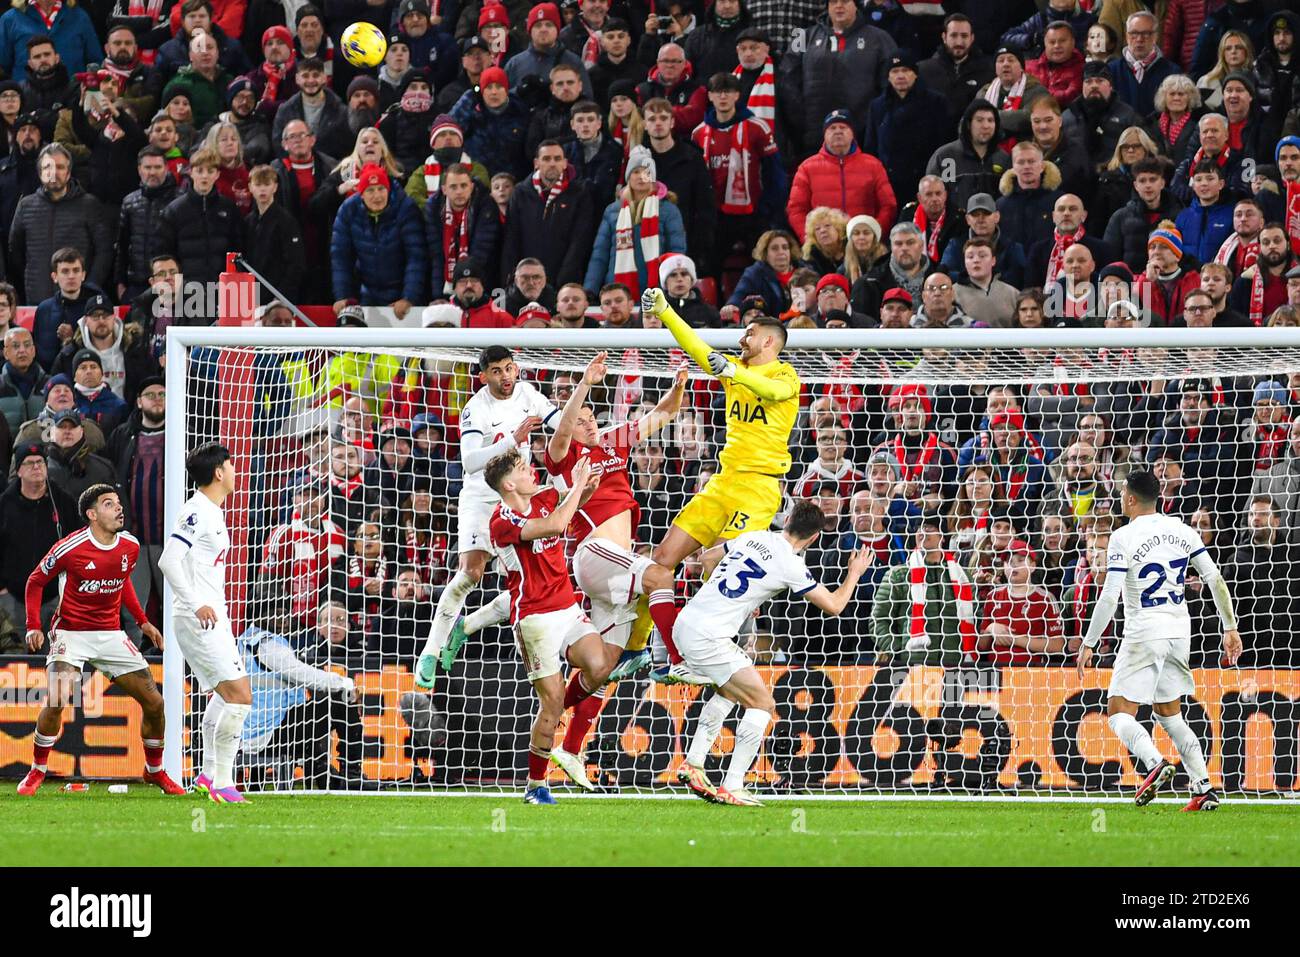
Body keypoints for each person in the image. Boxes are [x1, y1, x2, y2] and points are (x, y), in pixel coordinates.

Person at [539, 351, 690, 782]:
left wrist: (678, 384)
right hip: (594, 554)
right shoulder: (563, 460)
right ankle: (673, 658)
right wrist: (584, 384)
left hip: (615, 568)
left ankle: (566, 746)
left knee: (602, 668)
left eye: (591, 417)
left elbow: (666, 412)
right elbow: (563, 432)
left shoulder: (612, 442)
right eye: (581, 418)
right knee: (661, 575)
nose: (589, 423)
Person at [641, 287, 801, 681]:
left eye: (747, 333)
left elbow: (773, 392)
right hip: (721, 483)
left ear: (767, 340)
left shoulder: (784, 374)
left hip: (760, 489)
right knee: (661, 561)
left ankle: (729, 655)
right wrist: (664, 312)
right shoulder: (734, 369)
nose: (740, 339)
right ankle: (665, 653)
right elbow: (694, 345)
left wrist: (734, 371)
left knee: (719, 567)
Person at [674, 500, 871, 805]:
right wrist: (854, 572)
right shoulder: (791, 565)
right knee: (763, 704)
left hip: (686, 622)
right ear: (815, 537)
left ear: (788, 519)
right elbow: (834, 605)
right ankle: (734, 785)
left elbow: (708, 557)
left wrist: (724, 600)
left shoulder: (756, 536)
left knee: (728, 693)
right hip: (709, 637)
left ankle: (695, 763)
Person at [1076, 469, 1241, 812]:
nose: (1122, 500)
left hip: (1143, 631)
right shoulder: (1184, 530)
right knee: (1170, 714)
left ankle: (1154, 764)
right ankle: (1204, 788)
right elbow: (1214, 577)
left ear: (1131, 499)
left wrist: (1090, 642)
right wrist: (1230, 627)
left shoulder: (1123, 535)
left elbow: (1110, 595)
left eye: (1122, 494)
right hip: (1180, 631)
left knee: (1118, 712)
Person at [16, 484, 182, 796]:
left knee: (154, 702)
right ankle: (37, 771)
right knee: (57, 698)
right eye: (109, 504)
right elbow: (35, 581)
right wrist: (32, 625)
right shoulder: (70, 548)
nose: (119, 508)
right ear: (92, 514)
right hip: (71, 633)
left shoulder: (129, 546)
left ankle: (155, 771)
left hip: (110, 634)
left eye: (118, 503)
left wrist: (143, 621)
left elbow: (123, 584)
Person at [414, 345, 559, 687]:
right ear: (483, 376)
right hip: (482, 498)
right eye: (497, 371)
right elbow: (470, 461)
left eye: (509, 368)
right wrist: (514, 439)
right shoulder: (475, 408)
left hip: (516, 496)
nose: (506, 376)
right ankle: (431, 651)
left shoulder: (529, 394)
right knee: (470, 573)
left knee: (532, 584)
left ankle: (466, 627)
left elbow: (558, 421)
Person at [479, 446, 608, 805]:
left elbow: (574, 503)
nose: (531, 470)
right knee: (549, 704)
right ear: (508, 484)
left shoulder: (546, 497)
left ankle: (555, 721)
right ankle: (536, 785)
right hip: (534, 619)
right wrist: (578, 486)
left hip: (566, 607)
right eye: (523, 468)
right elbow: (555, 524)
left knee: (599, 666)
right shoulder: (501, 521)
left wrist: (588, 485)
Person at [159, 442, 252, 804]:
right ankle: (224, 784)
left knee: (224, 694)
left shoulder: (212, 511)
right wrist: (196, 603)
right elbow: (169, 560)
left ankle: (209, 774)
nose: (234, 471)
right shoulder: (196, 511)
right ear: (218, 472)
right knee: (240, 697)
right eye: (230, 465)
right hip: (199, 617)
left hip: (211, 615)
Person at [776, 0, 897, 157]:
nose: (839, 6)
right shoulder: (803, 37)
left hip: (862, 136)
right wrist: (800, 118)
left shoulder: (879, 38)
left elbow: (890, 85)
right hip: (812, 136)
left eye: (845, 1)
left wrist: (872, 122)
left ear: (856, 5)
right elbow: (787, 80)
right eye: (833, 2)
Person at [8, 144, 113, 307]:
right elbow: (15, 250)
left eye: (60, 167)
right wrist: (32, 278)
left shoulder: (89, 204)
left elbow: (104, 252)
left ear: (69, 172)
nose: (54, 173)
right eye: (47, 167)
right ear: (40, 173)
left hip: (80, 298)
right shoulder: (25, 205)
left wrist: (89, 286)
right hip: (37, 296)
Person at [583, 145, 686, 295]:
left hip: (656, 288)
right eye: (636, 172)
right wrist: (590, 289)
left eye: (646, 172)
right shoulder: (613, 211)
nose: (641, 176)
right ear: (628, 177)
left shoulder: (668, 210)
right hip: (618, 289)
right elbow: (600, 254)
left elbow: (676, 251)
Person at [329, 164, 427, 318]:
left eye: (381, 189)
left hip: (402, 291)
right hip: (367, 292)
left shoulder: (406, 208)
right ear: (361, 194)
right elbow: (340, 256)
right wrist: (343, 295)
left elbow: (416, 256)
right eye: (370, 190)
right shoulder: (348, 210)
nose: (377, 196)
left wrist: (409, 297)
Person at [788, 109, 896, 243]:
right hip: (824, 246)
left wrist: (873, 233)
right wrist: (810, 239)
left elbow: (888, 206)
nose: (838, 131)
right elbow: (796, 210)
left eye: (843, 127)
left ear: (852, 134)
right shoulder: (806, 168)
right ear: (824, 135)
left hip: (863, 244)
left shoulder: (873, 165)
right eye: (832, 128)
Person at [500, 138, 597, 287]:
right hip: (527, 280)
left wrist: (566, 277)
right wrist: (511, 277)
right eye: (546, 159)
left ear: (564, 163)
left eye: (557, 158)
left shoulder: (579, 193)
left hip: (565, 281)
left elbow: (580, 240)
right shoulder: (520, 192)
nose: (552, 163)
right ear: (536, 163)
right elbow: (512, 239)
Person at [864, 52, 953, 209]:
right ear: (888, 76)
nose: (900, 76)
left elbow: (944, 143)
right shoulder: (877, 106)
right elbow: (871, 146)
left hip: (923, 180)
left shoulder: (936, 102)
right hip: (889, 182)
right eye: (895, 71)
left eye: (905, 70)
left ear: (915, 74)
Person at [925, 98, 1010, 213]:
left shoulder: (1004, 159)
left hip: (992, 227)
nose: (986, 126)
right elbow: (930, 195)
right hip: (954, 227)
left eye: (990, 120)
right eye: (979, 120)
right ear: (969, 124)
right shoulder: (945, 156)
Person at [1026, 20, 1085, 107]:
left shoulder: (1082, 68)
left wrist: (1035, 96)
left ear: (1073, 42)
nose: (1057, 46)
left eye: (1062, 41)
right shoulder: (1028, 66)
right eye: (1052, 42)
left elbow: (1069, 96)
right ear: (1045, 44)